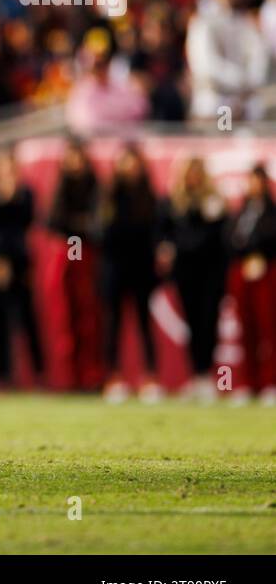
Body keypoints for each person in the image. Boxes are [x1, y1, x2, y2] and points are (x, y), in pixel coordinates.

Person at [159, 157, 228, 400]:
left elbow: (218, 237)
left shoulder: (214, 202)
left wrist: (185, 245)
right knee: (192, 323)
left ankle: (207, 376)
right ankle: (196, 375)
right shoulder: (172, 202)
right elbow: (163, 233)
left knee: (208, 322)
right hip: (185, 272)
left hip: (210, 272)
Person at [100, 144, 161, 403]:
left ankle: (150, 379)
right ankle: (114, 378)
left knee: (144, 324)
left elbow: (157, 231)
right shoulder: (110, 197)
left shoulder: (149, 197)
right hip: (115, 267)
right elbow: (100, 230)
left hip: (142, 268)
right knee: (113, 324)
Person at [0, 148, 43, 386]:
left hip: (19, 259)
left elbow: (27, 221)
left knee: (26, 318)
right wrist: (0, 197)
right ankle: (0, 375)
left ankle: (39, 374)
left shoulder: (25, 193)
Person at [47, 137, 103, 391]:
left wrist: (79, 225)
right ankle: (66, 376)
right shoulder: (62, 187)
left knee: (88, 316)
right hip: (67, 255)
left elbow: (95, 223)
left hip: (86, 255)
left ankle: (90, 375)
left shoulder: (94, 186)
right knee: (64, 315)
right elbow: (53, 222)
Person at [226, 165, 276, 404]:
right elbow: (230, 239)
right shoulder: (241, 212)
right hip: (242, 273)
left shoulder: (271, 212)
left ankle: (270, 382)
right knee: (245, 329)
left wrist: (260, 255)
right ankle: (247, 382)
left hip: (265, 273)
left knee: (268, 329)